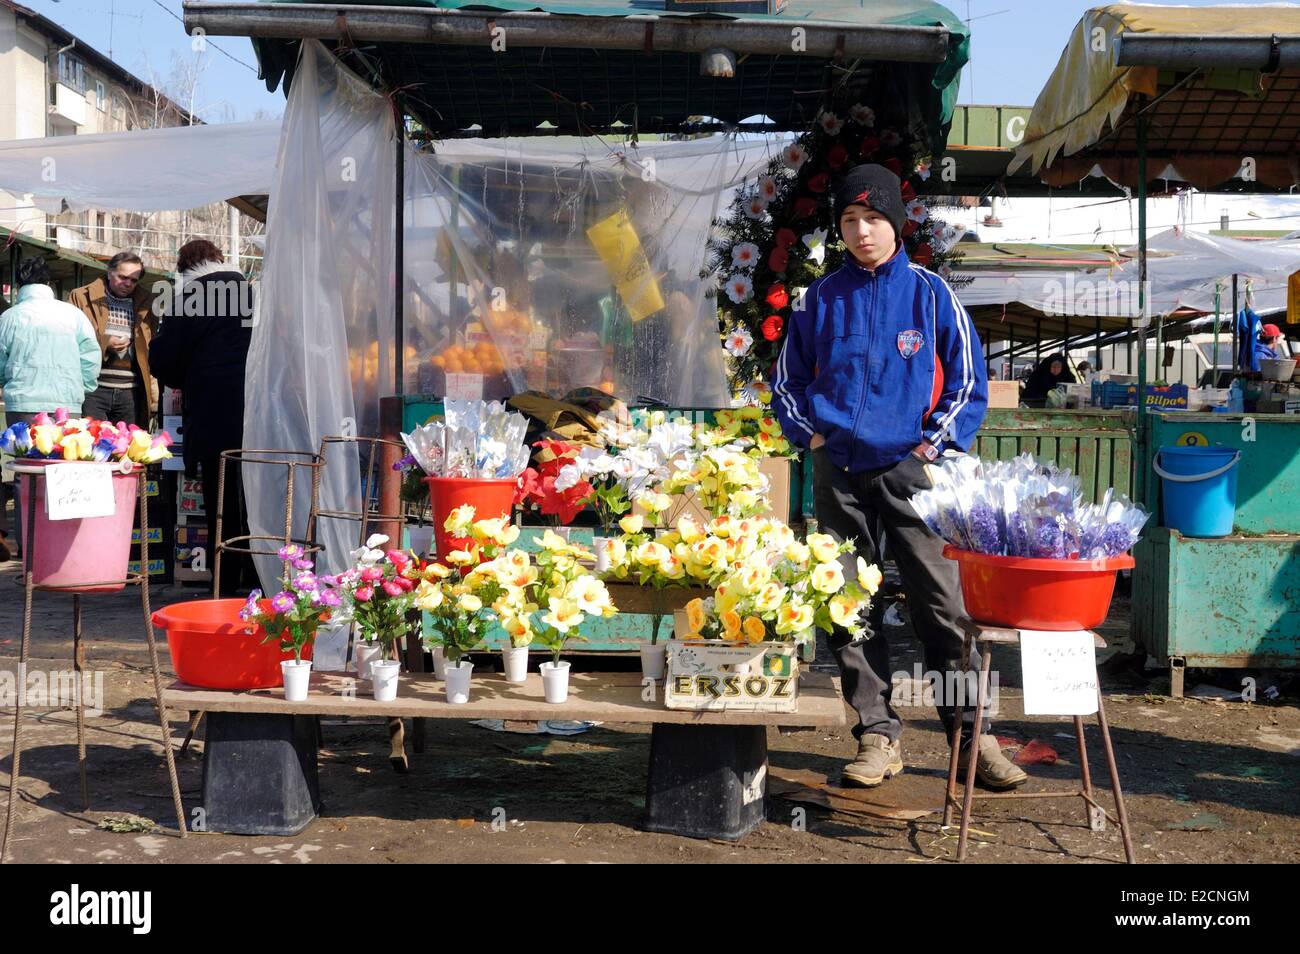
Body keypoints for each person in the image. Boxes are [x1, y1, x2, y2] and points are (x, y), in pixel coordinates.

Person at [772, 164, 1026, 791]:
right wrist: (811, 435)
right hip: (839, 473)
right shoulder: (818, 298)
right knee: (849, 605)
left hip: (913, 474)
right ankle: (877, 736)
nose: (862, 232)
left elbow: (968, 382)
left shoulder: (932, 293)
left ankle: (973, 738)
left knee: (943, 605)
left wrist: (931, 448)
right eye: (850, 221)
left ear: (896, 223)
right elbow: (787, 381)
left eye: (874, 219)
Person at [149, 240, 256, 597]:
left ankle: (225, 582)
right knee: (258, 494)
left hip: (214, 414)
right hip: (261, 412)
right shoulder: (252, 293)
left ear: (184, 269)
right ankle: (260, 576)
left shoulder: (190, 297)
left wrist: (185, 377)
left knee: (221, 499)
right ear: (220, 259)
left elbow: (164, 360)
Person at [0, 256, 102, 555]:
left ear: (19, 285)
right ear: (49, 284)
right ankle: (62, 547)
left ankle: (29, 548)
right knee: (64, 470)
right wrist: (81, 387)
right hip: (66, 404)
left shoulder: (9, 318)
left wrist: (10, 380)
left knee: (25, 473)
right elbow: (90, 357)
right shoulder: (73, 315)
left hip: (23, 403)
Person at [68, 251, 159, 427]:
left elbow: (151, 346)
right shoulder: (81, 297)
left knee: (128, 451)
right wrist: (104, 343)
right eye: (123, 277)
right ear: (109, 272)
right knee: (92, 449)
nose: (128, 284)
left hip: (131, 393)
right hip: (92, 390)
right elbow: (70, 338)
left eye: (133, 280)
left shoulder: (147, 302)